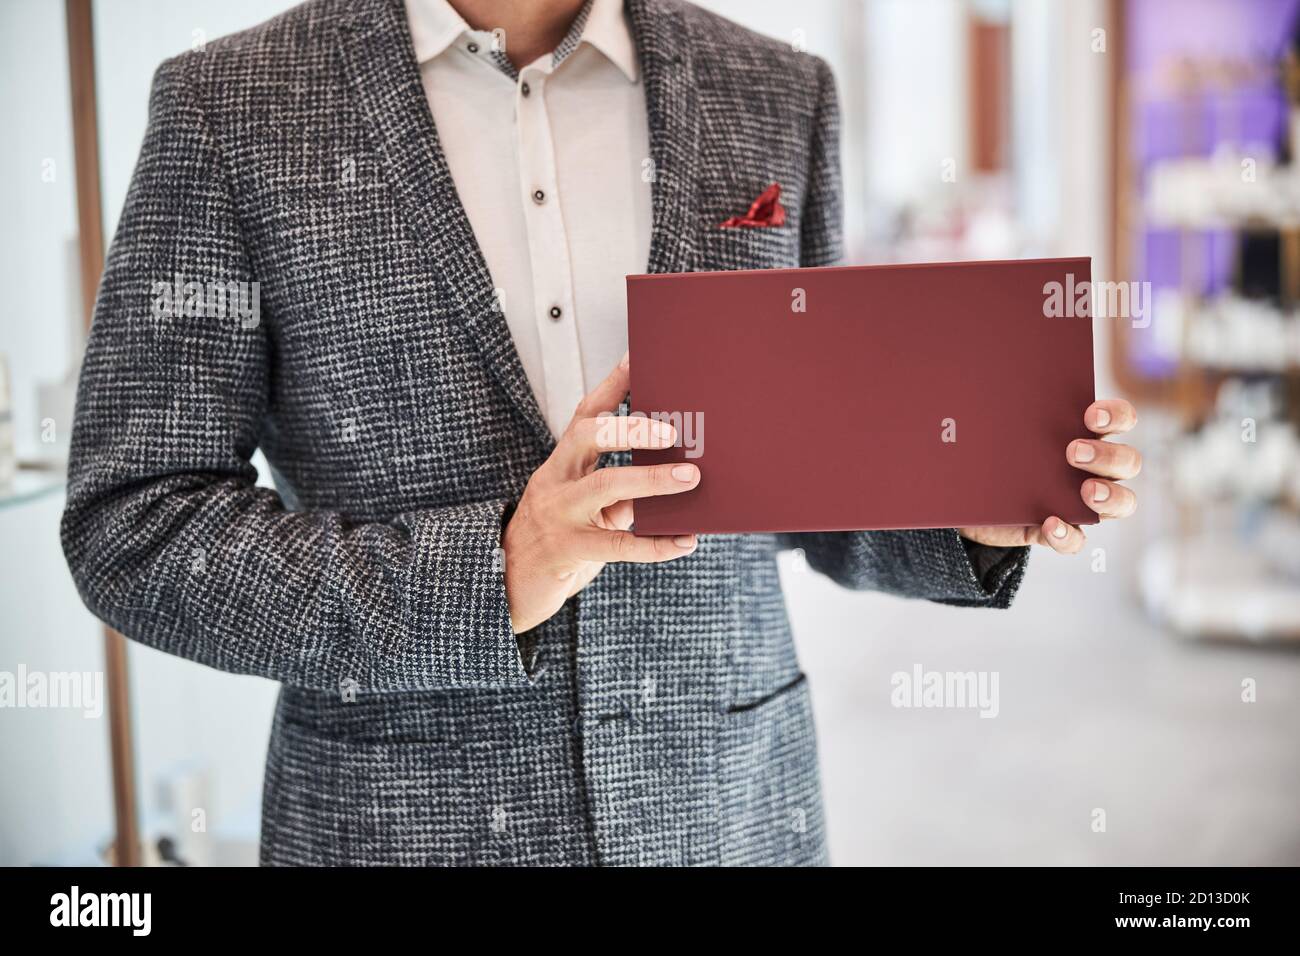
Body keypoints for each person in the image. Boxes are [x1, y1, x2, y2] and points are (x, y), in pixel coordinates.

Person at [61, 0, 1141, 866]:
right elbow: (136, 525)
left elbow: (803, 487)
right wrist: (498, 568)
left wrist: (966, 513)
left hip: (731, 814)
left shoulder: (777, 89)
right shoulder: (230, 104)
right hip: (398, 824)